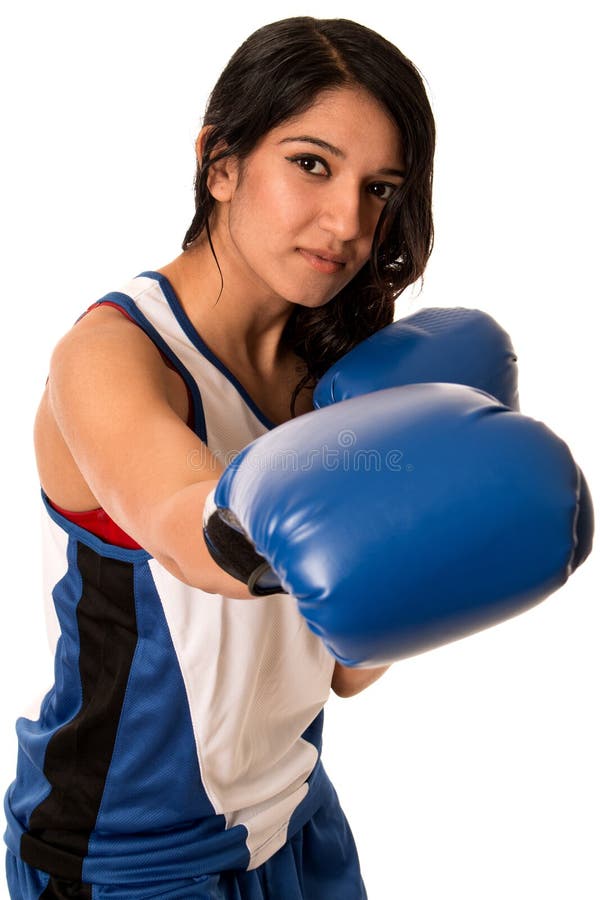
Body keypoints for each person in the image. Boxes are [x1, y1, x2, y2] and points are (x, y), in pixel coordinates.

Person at [3, 16, 437, 899]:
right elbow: (191, 531)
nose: (347, 221)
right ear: (222, 161)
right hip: (127, 858)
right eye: (311, 164)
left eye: (380, 187)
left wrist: (429, 546)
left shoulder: (337, 372)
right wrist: (396, 490)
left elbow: (345, 667)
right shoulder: (113, 356)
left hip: (293, 820)